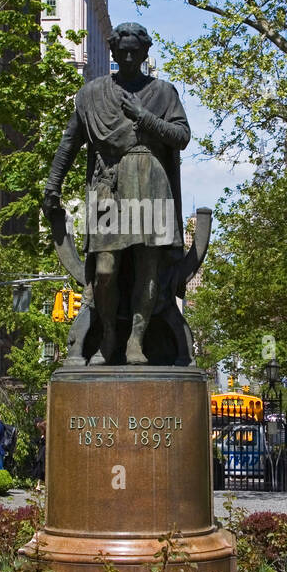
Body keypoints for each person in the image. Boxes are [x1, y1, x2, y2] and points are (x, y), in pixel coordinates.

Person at [43, 22, 190, 365]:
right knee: (105, 269)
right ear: (112, 51)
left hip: (150, 182)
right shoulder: (92, 94)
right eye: (121, 51)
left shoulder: (163, 93)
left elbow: (181, 137)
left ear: (144, 53)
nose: (127, 56)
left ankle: (136, 342)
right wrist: (53, 186)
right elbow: (69, 144)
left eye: (134, 51)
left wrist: (144, 117)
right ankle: (109, 334)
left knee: (147, 269)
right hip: (107, 185)